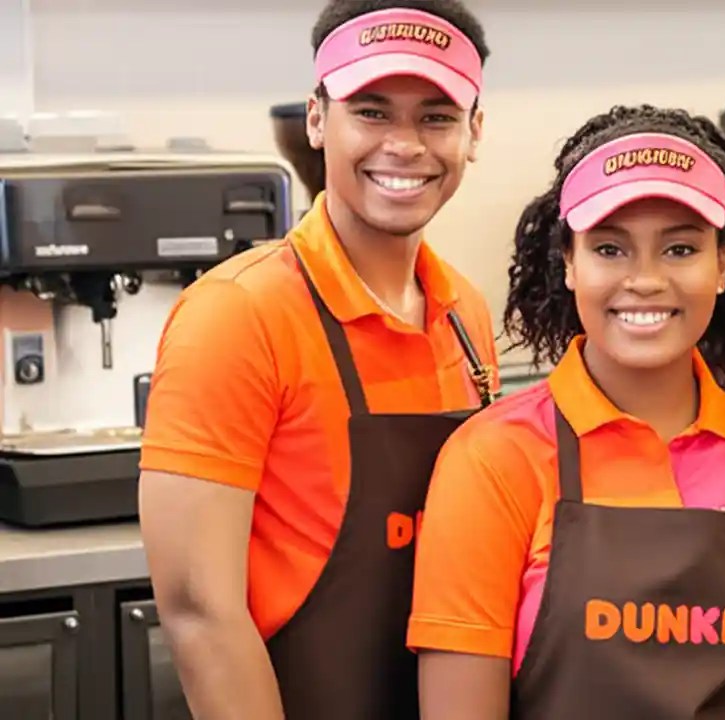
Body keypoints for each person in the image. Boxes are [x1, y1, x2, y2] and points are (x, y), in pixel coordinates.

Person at [409, 105, 725, 719]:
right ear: (568, 262)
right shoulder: (492, 460)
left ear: (723, 265)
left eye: (678, 248)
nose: (645, 280)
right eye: (611, 249)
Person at [137, 1, 498, 718]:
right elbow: (197, 611)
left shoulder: (466, 314)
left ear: (474, 132)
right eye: (370, 112)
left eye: (435, 116)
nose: (405, 145)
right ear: (315, 119)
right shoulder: (237, 316)